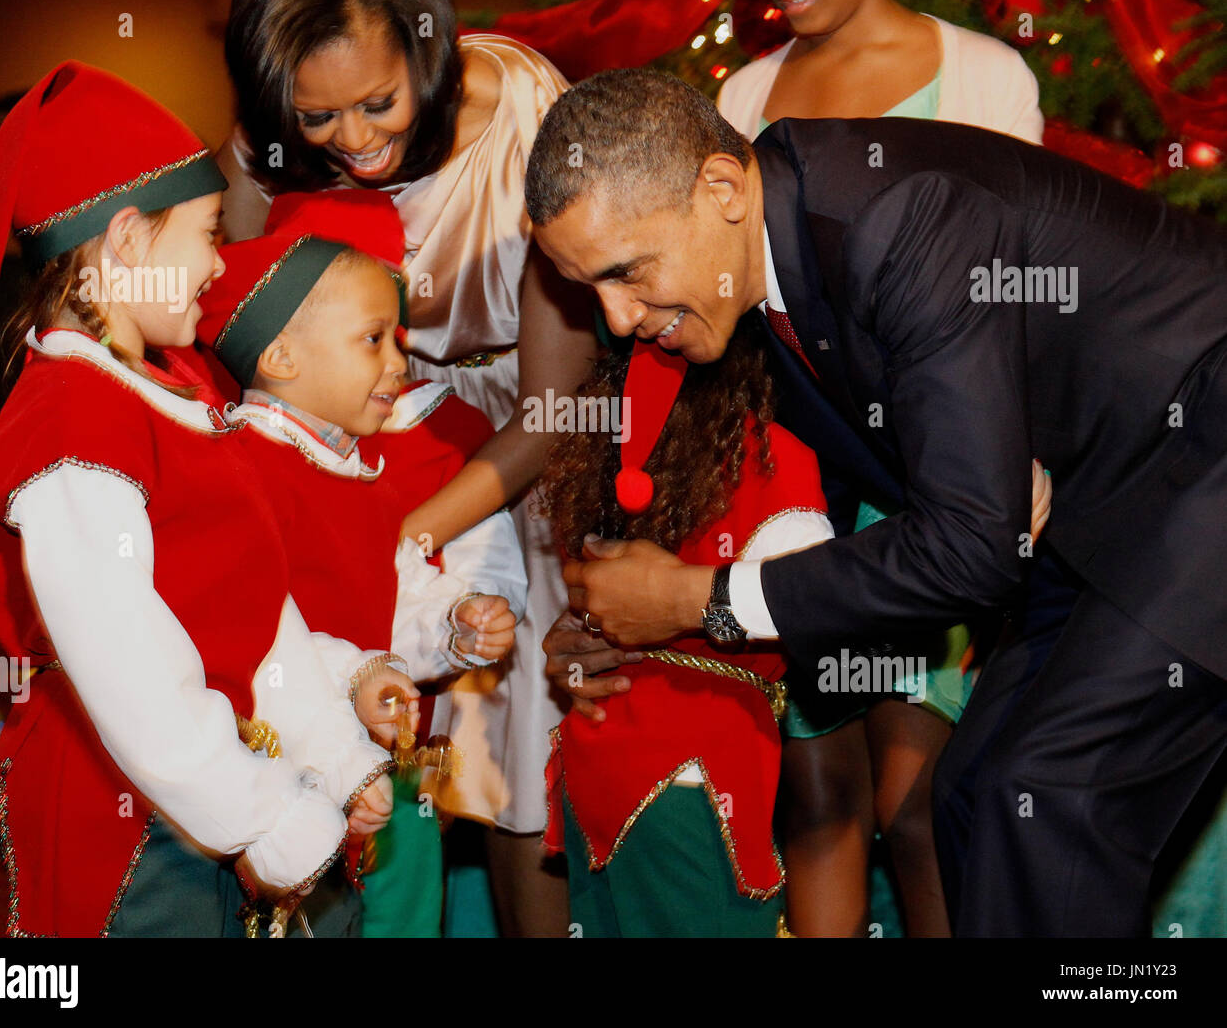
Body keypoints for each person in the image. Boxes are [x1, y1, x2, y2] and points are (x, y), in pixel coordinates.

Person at [525, 68, 1227, 937]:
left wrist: (691, 601)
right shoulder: (751, 282)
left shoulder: (896, 219)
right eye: (587, 287)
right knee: (971, 795)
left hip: (1205, 449)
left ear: (720, 188)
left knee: (1048, 795)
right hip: (1100, 503)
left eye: (627, 273)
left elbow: (972, 545)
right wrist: (619, 630)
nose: (617, 316)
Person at [0, 62, 394, 936]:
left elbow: (251, 608)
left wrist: (329, 750)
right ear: (131, 241)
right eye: (208, 233)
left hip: (208, 781)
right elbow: (127, 660)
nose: (219, 264)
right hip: (129, 811)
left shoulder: (171, 387)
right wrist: (260, 815)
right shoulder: (68, 419)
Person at [217, 0, 596, 933]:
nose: (353, 138)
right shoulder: (280, 139)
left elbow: (554, 408)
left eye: (378, 102)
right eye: (318, 115)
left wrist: (409, 532)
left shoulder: (522, 120)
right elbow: (242, 323)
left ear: (426, 51)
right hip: (355, 432)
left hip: (519, 450)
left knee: (512, 756)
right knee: (348, 734)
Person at [715, 0, 1044, 935]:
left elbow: (1020, 285)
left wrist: (1020, 466)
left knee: (916, 810)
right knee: (820, 802)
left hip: (949, 478)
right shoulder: (746, 92)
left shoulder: (986, 75)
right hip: (807, 487)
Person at [196, 187, 526, 936]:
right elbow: (248, 629)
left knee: (403, 911)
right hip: (282, 765)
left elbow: (395, 591)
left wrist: (452, 625)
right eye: (373, 339)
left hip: (384, 760)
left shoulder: (356, 469)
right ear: (281, 356)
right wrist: (357, 676)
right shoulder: (241, 468)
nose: (399, 355)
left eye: (398, 334)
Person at [539, 315, 834, 936]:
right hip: (694, 771)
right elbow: (816, 603)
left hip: (598, 763)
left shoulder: (618, 466)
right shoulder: (771, 459)